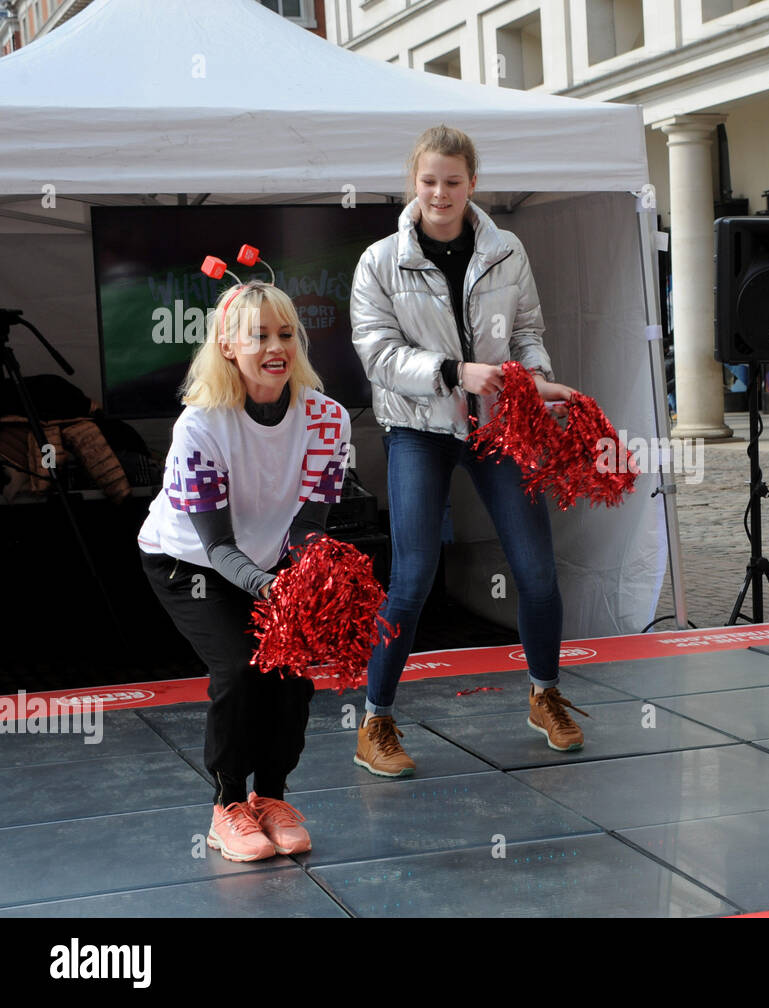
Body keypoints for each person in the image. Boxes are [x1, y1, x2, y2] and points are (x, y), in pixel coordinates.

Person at [350, 125, 587, 776]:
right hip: (418, 428)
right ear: (413, 183)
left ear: (473, 184)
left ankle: (545, 696)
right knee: (412, 577)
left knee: (537, 572)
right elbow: (377, 355)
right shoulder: (379, 261)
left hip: (497, 427)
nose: (440, 193)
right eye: (429, 181)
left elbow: (529, 332)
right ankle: (375, 721)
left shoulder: (506, 250)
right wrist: (457, 372)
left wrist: (536, 384)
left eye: (453, 181)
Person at [139, 279, 350, 861]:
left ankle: (272, 798)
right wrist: (270, 586)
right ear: (228, 347)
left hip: (266, 559)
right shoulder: (200, 426)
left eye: (286, 333)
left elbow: (309, 528)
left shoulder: (329, 419)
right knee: (237, 667)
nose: (276, 346)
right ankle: (227, 805)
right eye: (259, 335)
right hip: (189, 561)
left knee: (290, 668)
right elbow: (217, 545)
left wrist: (316, 573)